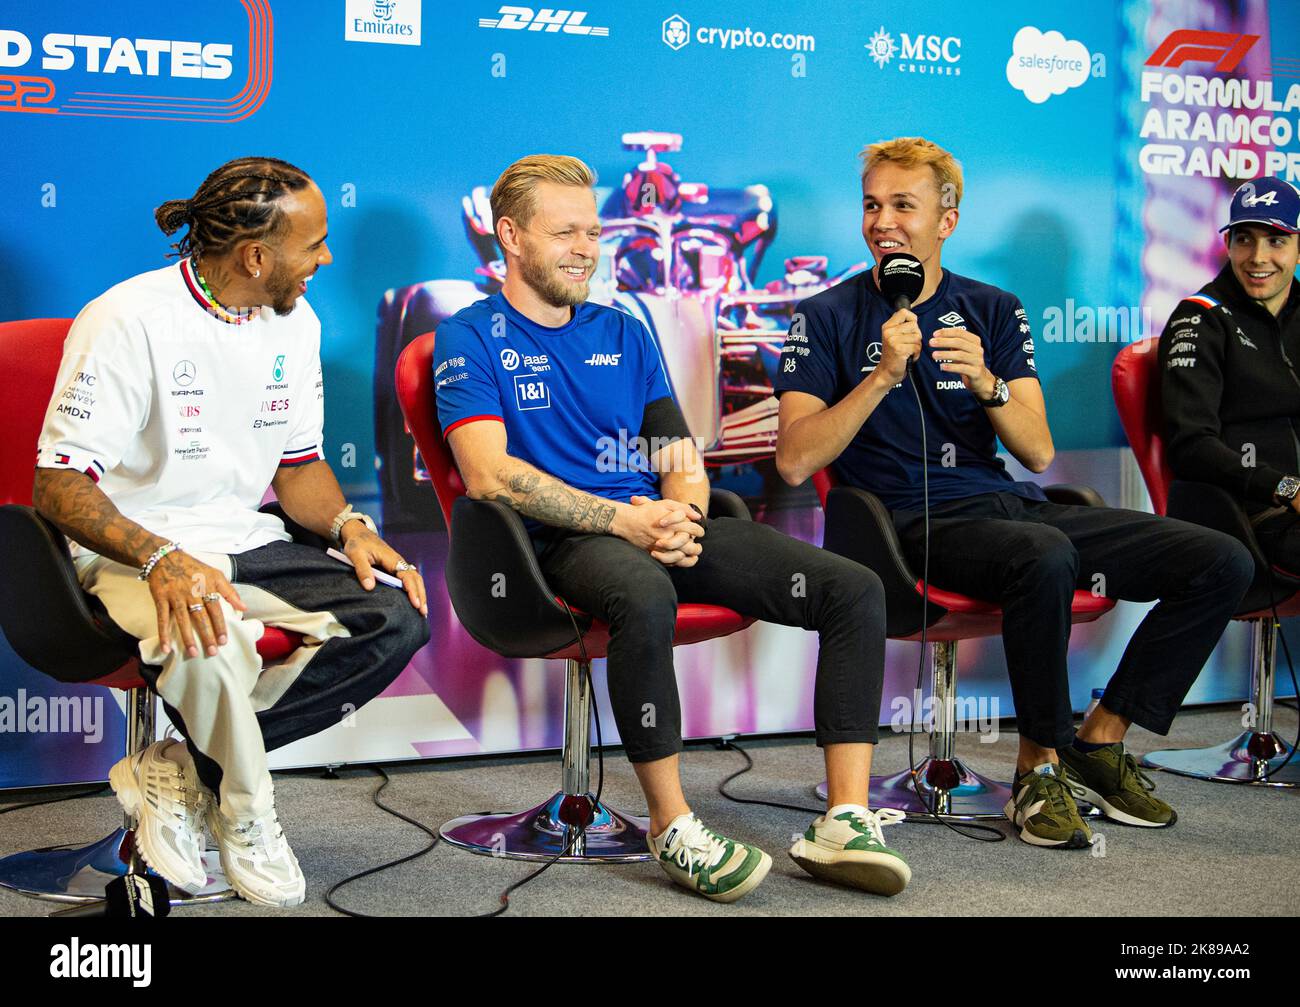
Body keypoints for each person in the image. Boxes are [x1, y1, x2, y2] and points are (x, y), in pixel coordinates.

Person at [433, 154, 906, 902]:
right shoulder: (470, 337)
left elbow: (680, 457)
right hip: (548, 545)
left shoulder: (624, 332)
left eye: (592, 230)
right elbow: (492, 475)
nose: (588, 247)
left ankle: (844, 816)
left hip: (651, 524)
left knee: (851, 588)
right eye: (566, 233)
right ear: (511, 237)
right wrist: (629, 523)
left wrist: (680, 515)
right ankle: (671, 824)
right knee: (644, 590)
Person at [773, 136, 1254, 848]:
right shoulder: (824, 316)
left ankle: (1099, 737)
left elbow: (1036, 448)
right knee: (1044, 554)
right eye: (872, 205)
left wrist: (986, 384)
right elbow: (791, 460)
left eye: (903, 205)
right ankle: (1038, 769)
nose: (883, 223)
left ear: (948, 218)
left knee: (1221, 561)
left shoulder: (992, 308)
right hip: (901, 526)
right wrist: (880, 377)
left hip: (1004, 505)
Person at [33, 156, 430, 907]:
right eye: (313, 244)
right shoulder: (125, 318)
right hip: (133, 546)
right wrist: (159, 557)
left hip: (244, 538)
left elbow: (300, 467)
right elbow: (55, 483)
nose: (326, 258)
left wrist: (349, 524)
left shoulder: (296, 322)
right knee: (208, 635)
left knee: (396, 616)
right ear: (255, 255)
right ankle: (248, 812)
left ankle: (179, 772)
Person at [1160, 176, 1300, 571]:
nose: (1257, 257)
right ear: (1227, 244)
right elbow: (1192, 448)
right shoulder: (1199, 319)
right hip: (1250, 517)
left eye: (1276, 240)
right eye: (1244, 239)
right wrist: (1285, 488)